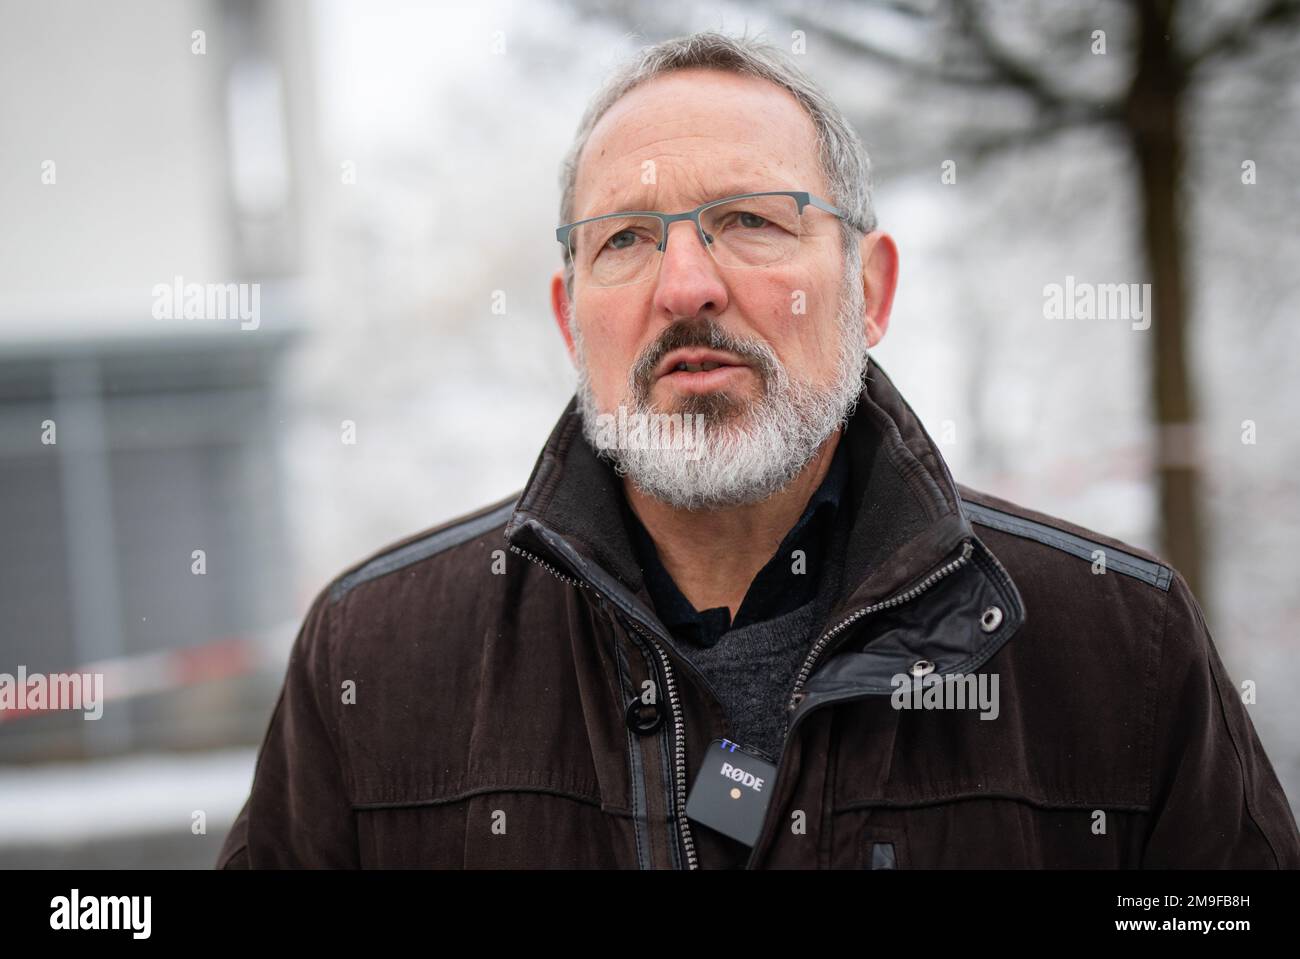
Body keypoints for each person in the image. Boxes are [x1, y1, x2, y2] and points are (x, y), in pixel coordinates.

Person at [217, 30, 1299, 869]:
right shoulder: (373, 662)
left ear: (869, 290)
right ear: (569, 319)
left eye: (750, 220)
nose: (686, 285)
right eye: (626, 238)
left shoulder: (1116, 646)